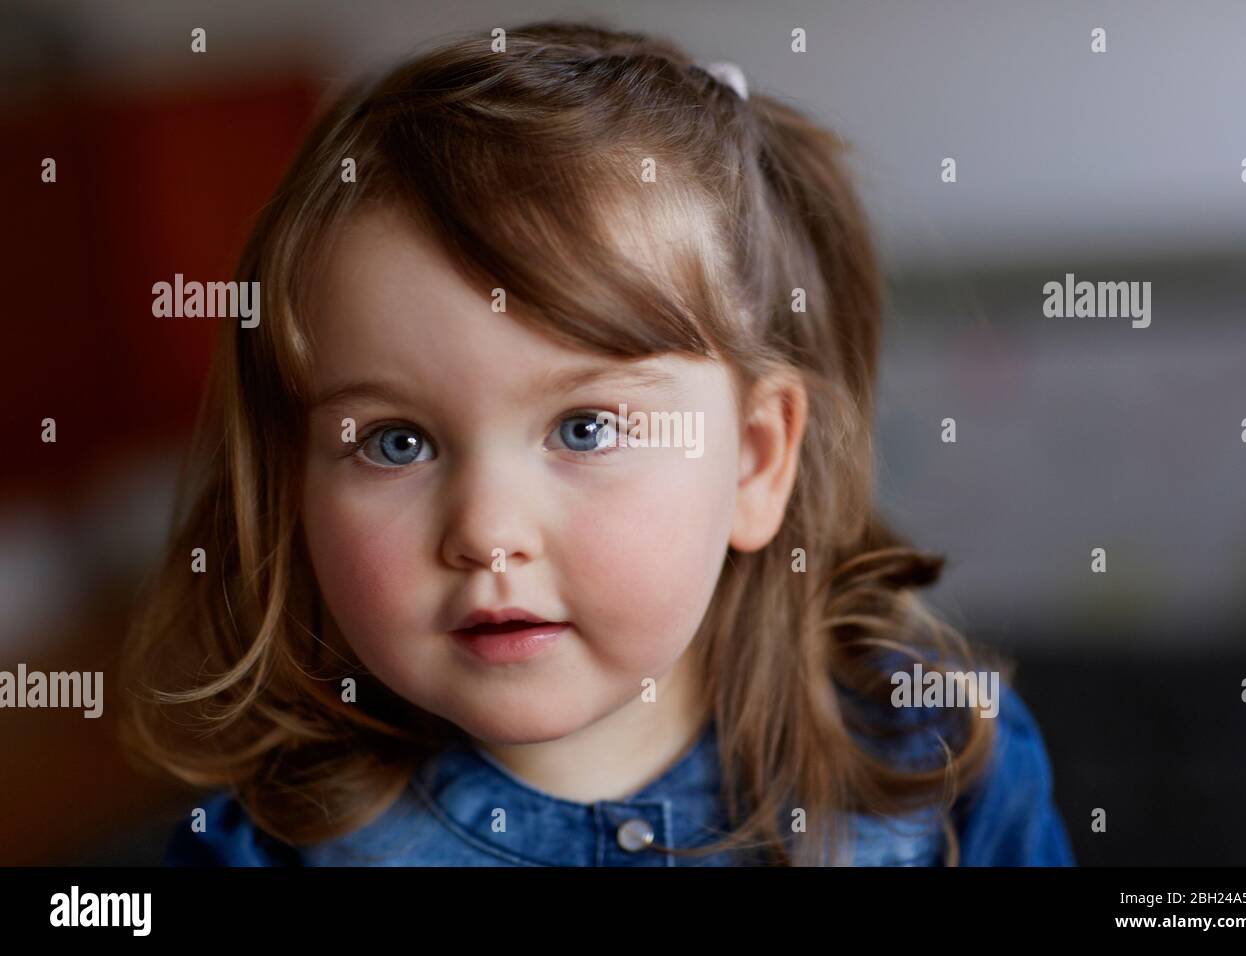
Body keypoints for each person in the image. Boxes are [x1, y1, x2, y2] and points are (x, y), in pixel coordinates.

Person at [120, 19, 1074, 867]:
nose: (488, 533)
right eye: (397, 443)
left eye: (584, 428)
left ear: (754, 459)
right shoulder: (270, 845)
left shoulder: (936, 766)